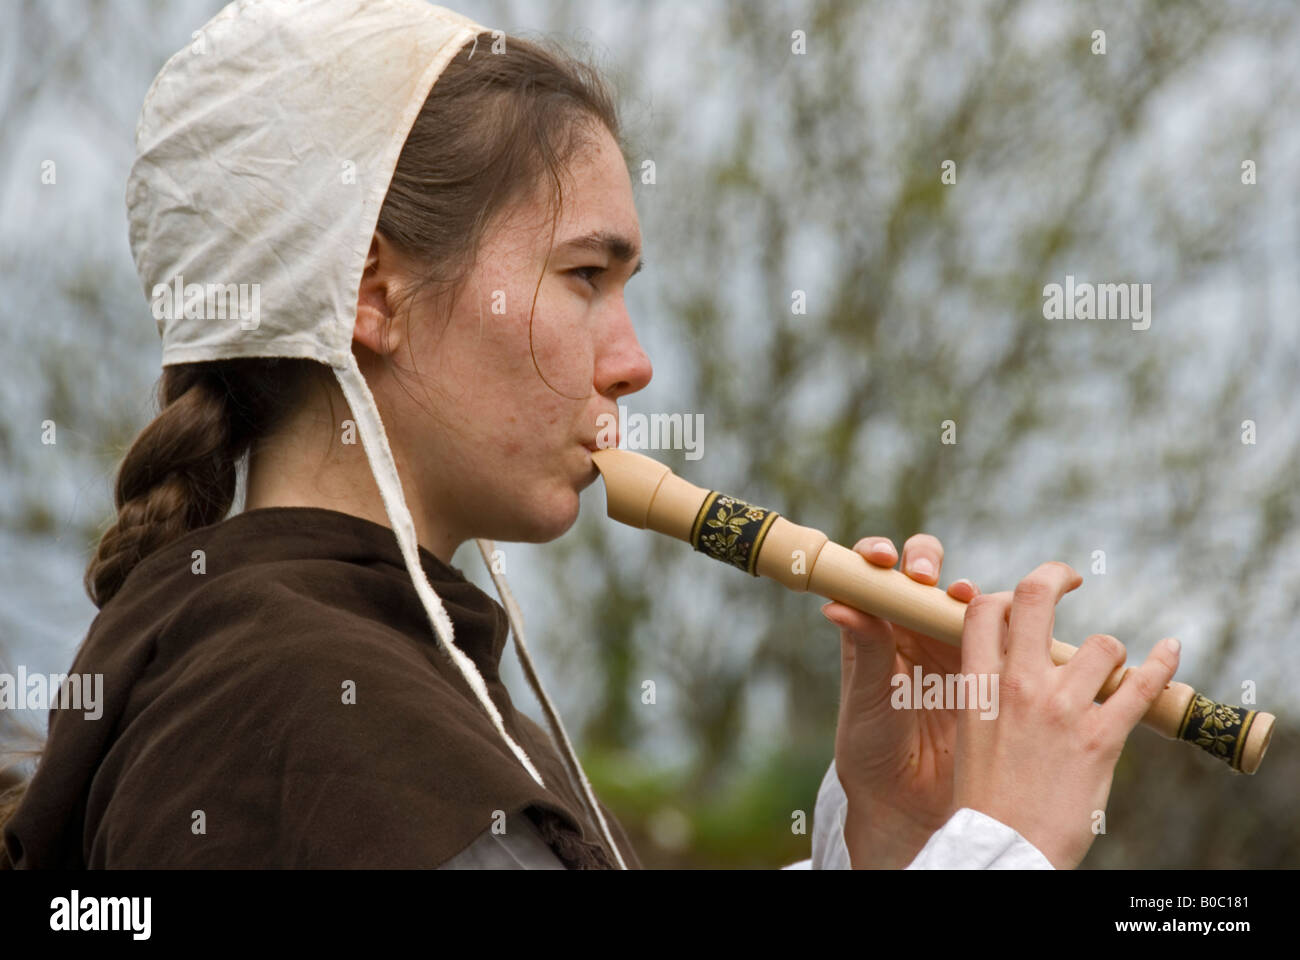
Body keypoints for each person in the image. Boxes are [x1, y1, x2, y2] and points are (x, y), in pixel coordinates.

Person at [1, 0, 1181, 870]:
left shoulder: (375, 670)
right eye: (583, 276)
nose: (633, 359)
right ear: (374, 295)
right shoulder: (303, 704)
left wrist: (885, 837)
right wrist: (1004, 848)